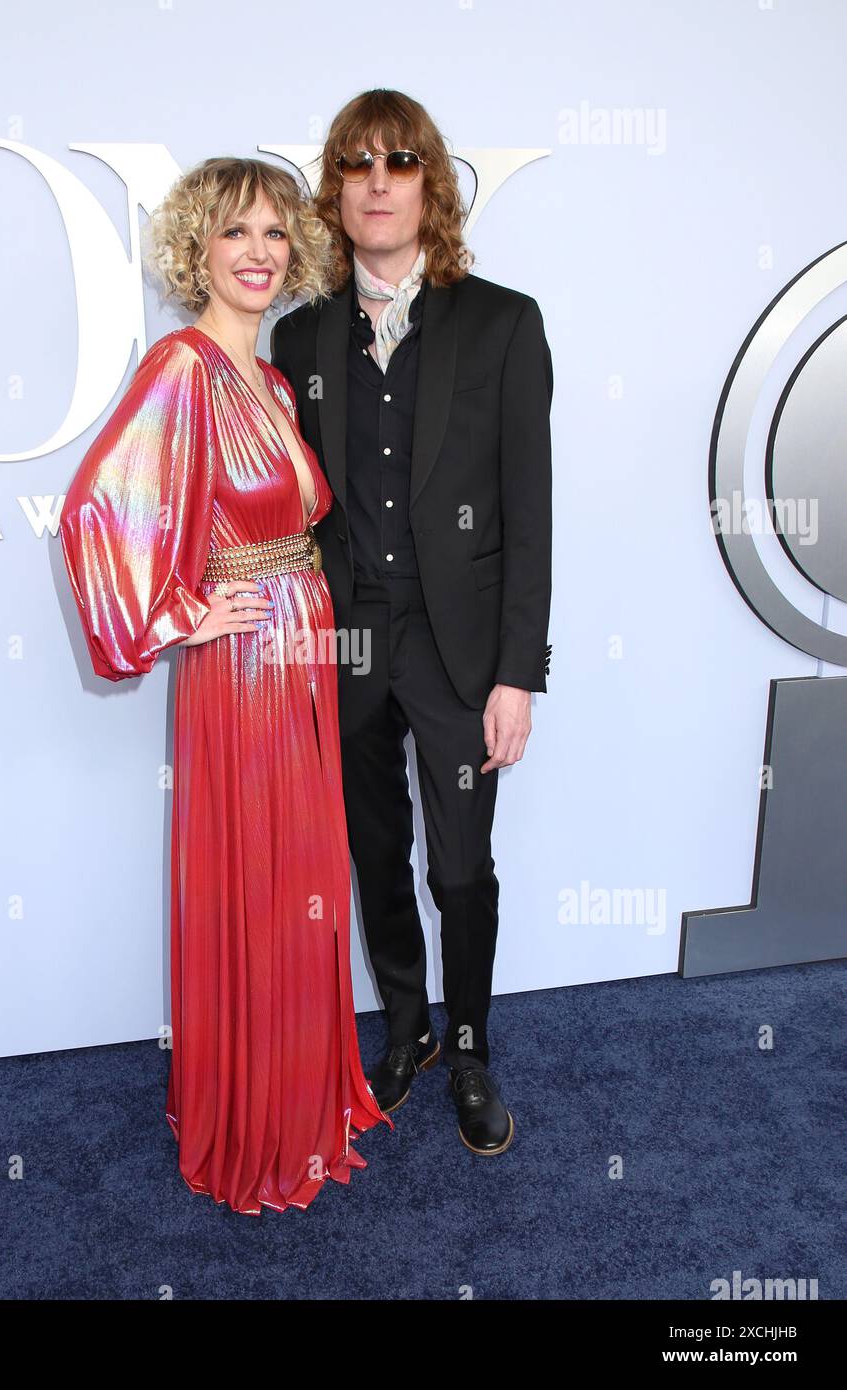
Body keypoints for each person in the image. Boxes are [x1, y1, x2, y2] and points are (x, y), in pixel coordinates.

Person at [58, 157, 391, 1215]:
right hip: (242, 663)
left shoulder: (273, 381)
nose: (257, 253)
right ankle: (254, 1125)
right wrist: (179, 611)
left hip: (298, 645)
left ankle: (298, 1100)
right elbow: (95, 510)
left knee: (302, 875)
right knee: (259, 874)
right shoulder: (185, 368)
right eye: (233, 233)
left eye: (273, 235)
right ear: (195, 249)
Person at [271, 90, 553, 1155]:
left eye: (397, 162)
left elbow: (529, 512)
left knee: (458, 866)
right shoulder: (298, 337)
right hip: (340, 647)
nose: (376, 182)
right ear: (334, 194)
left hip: (461, 654)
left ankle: (470, 1045)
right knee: (375, 856)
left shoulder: (502, 322)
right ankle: (405, 1033)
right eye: (354, 165)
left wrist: (517, 672)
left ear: (429, 184)